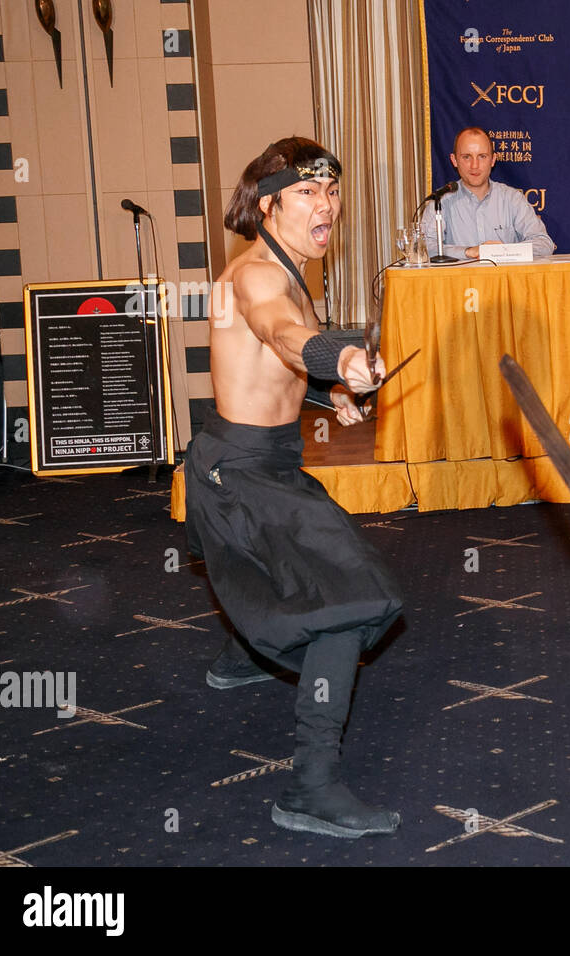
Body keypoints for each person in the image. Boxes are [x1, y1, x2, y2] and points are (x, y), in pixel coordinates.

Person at [185, 137, 404, 838]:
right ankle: (311, 788)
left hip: (256, 459)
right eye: (309, 192)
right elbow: (281, 334)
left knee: (281, 570)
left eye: (333, 191)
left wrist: (327, 399)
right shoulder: (256, 276)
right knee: (346, 600)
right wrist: (340, 354)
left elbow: (273, 370)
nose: (327, 205)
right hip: (239, 471)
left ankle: (241, 654)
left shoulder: (290, 266)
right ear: (270, 200)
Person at [422, 126, 555, 259]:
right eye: (467, 157)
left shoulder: (512, 198)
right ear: (454, 160)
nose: (475, 165)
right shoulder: (440, 201)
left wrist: (503, 251)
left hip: (505, 279)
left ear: (493, 160)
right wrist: (468, 252)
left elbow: (544, 244)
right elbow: (425, 247)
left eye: (482, 156)